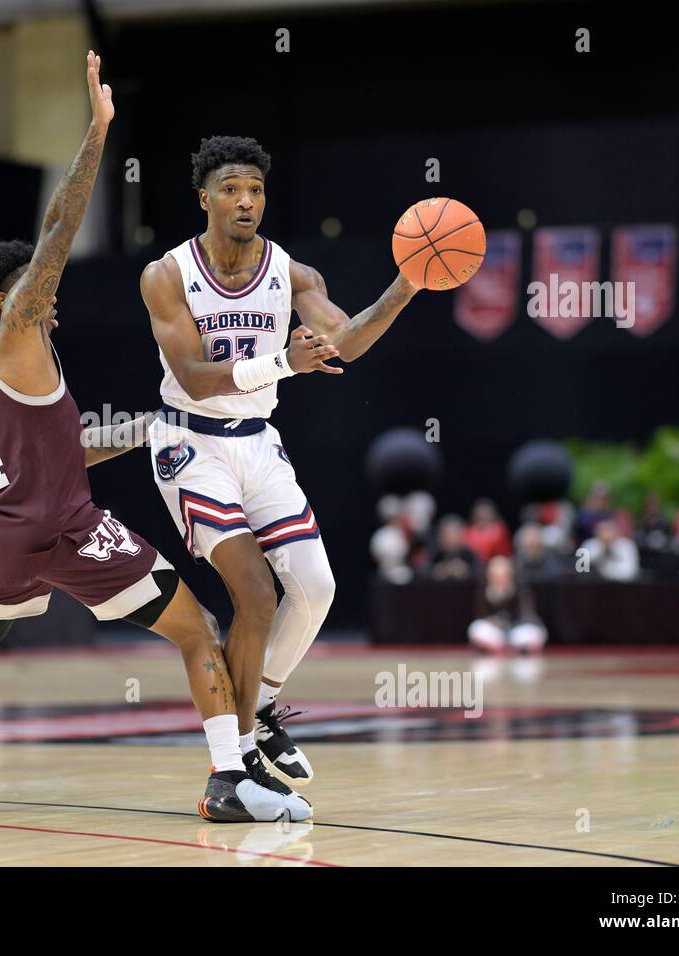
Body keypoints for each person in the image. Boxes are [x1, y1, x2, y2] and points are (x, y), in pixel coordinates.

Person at [0, 54, 308, 823]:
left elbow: (58, 450)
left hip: (4, 530)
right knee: (201, 628)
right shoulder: (15, 329)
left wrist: (144, 427)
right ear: (5, 297)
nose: (51, 301)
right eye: (37, 290)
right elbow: (58, 226)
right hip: (66, 532)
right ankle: (228, 778)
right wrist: (97, 132)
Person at [139, 134, 419, 786]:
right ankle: (233, 767)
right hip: (191, 443)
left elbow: (343, 339)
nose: (245, 201)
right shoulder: (166, 275)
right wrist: (283, 362)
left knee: (317, 587)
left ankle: (258, 706)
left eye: (256, 190)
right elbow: (193, 373)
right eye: (231, 189)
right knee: (256, 593)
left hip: (257, 441)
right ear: (203, 197)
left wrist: (404, 289)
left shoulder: (290, 273)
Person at [467, 556, 547, 654]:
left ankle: (519, 649)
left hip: (517, 632)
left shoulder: (519, 591)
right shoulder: (484, 593)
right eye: (495, 576)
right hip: (496, 634)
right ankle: (497, 648)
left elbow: (527, 615)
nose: (499, 579)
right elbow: (481, 617)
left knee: (533, 633)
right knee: (476, 628)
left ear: (510, 576)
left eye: (503, 575)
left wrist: (509, 623)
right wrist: (494, 622)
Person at [430, 515, 479, 581]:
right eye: (447, 535)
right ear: (440, 537)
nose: (451, 539)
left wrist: (466, 571)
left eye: (455, 535)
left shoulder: (470, 554)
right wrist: (436, 572)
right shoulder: (434, 554)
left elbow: (480, 573)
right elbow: (421, 573)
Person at [464, 498, 512, 563]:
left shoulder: (499, 529)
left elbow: (505, 552)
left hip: (496, 563)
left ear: (492, 515)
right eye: (480, 516)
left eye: (485, 514)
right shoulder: (470, 531)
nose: (483, 517)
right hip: (475, 565)